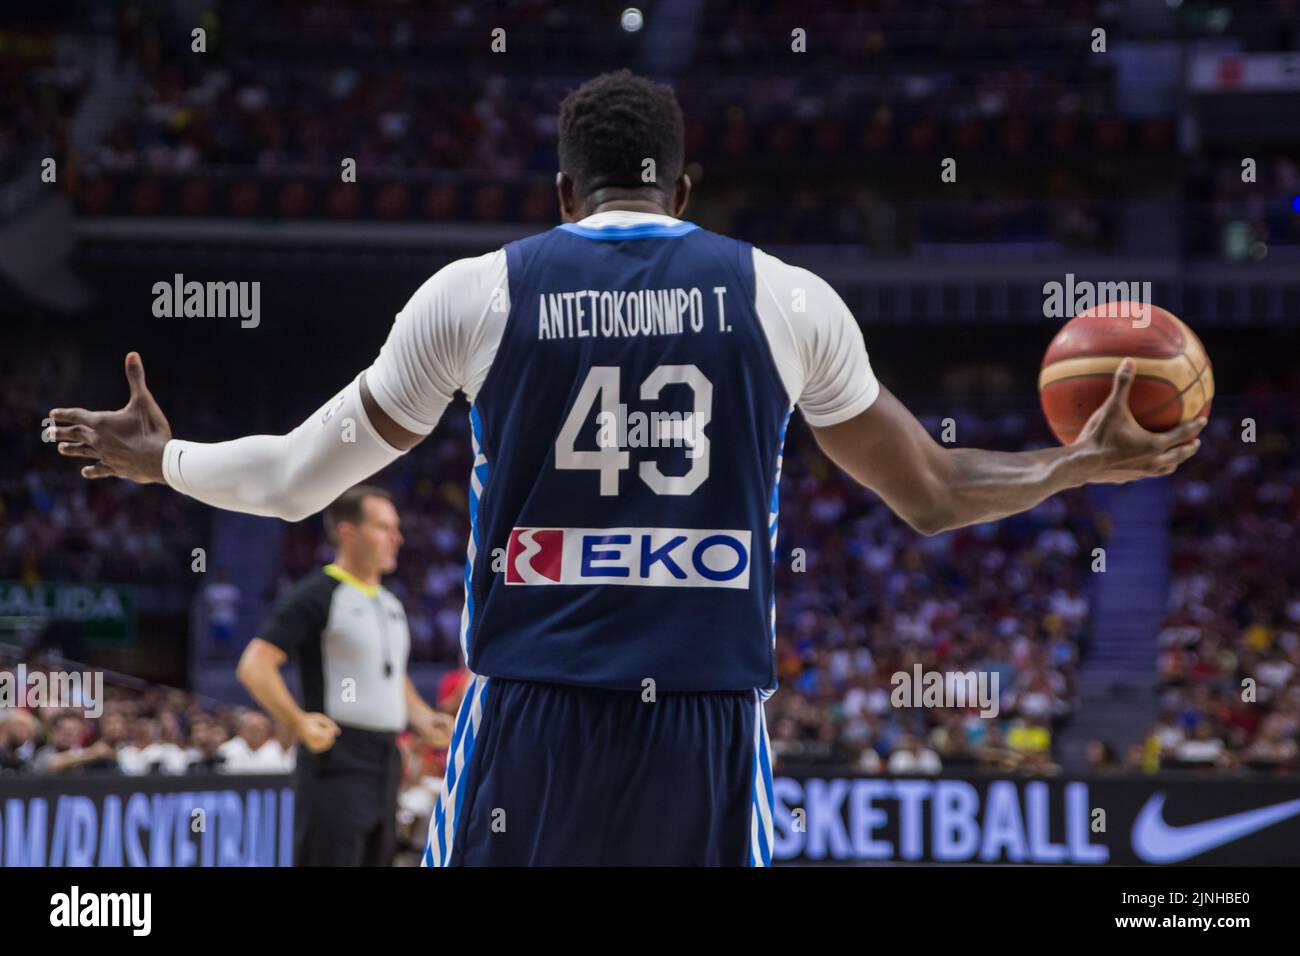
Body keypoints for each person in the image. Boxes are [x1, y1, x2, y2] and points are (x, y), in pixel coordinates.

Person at [47, 71, 1206, 866]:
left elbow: (299, 477)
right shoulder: (787, 296)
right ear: (685, 192)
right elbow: (933, 492)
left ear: (562, 195)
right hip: (704, 719)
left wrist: (167, 458)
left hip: (528, 713)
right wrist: (1070, 463)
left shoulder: (478, 291)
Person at [233, 486, 452, 866]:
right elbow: (255, 664)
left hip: (385, 759)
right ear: (349, 533)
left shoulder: (391, 602)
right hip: (335, 756)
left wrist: (423, 719)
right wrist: (298, 721)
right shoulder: (318, 593)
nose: (397, 538)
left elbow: (392, 677)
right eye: (384, 528)